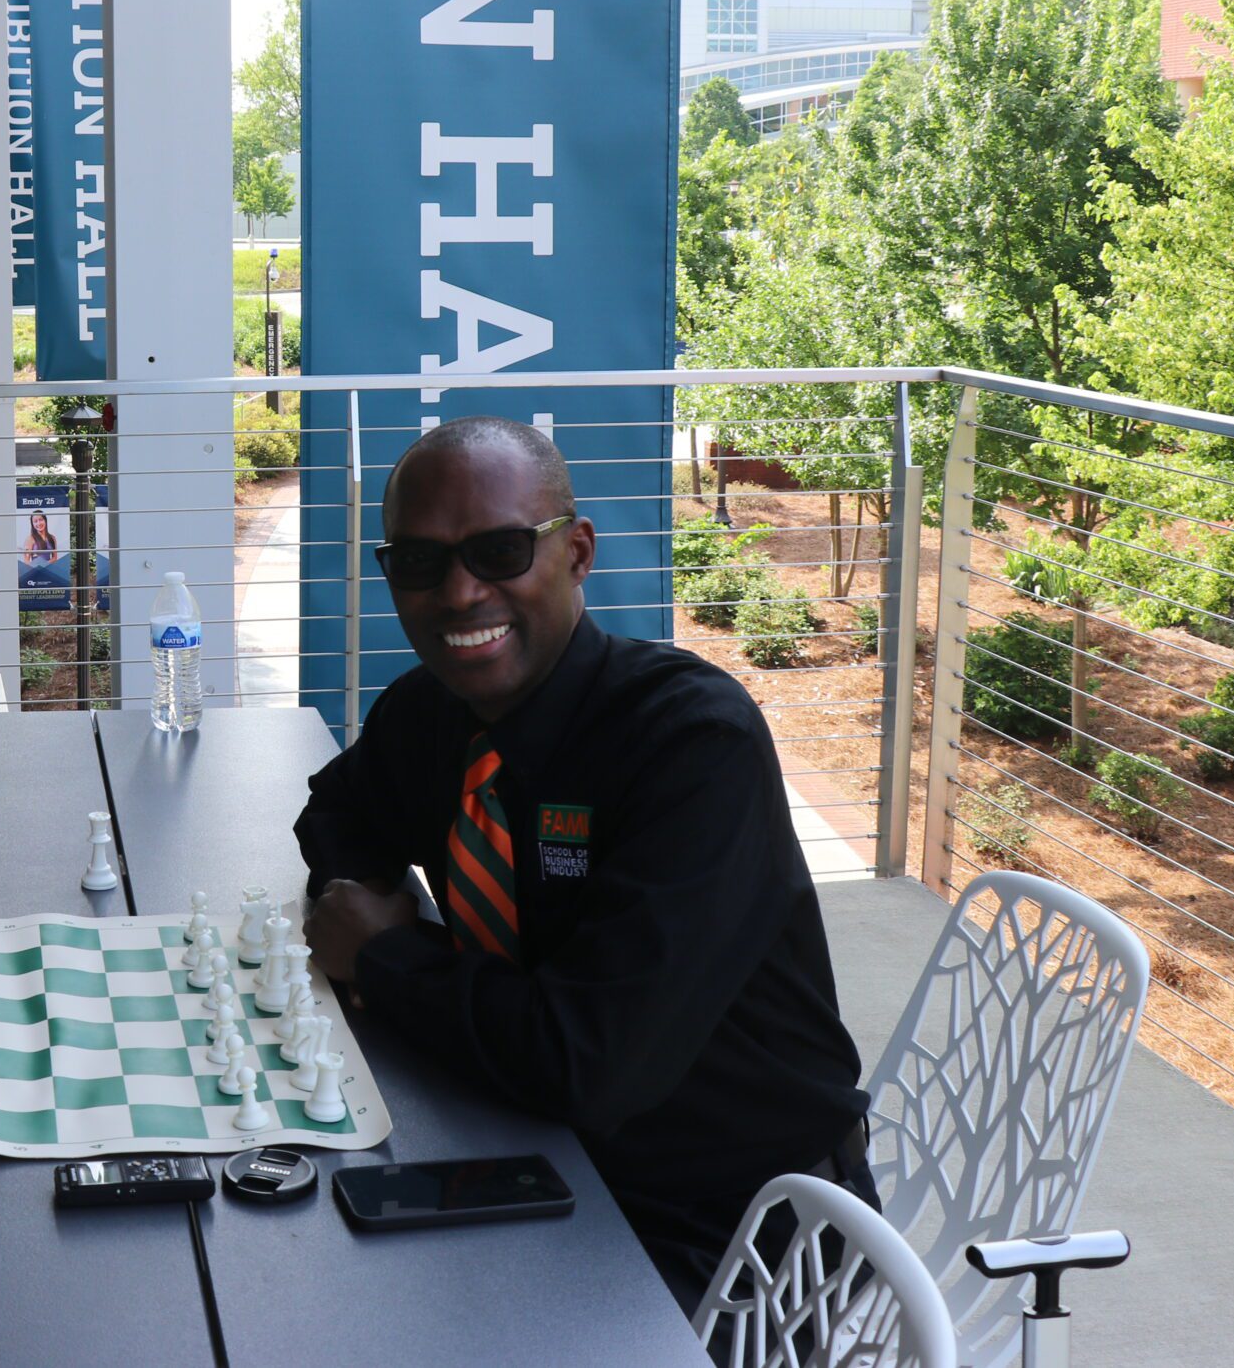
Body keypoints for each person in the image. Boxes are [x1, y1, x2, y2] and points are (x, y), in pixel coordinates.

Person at [296, 415, 871, 1316]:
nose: (457, 591)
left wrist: (384, 960)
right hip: (523, 1147)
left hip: (730, 1228)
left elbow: (590, 1066)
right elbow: (337, 812)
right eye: (419, 562)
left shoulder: (690, 743)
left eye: (497, 550)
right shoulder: (431, 712)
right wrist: (370, 907)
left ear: (577, 552)